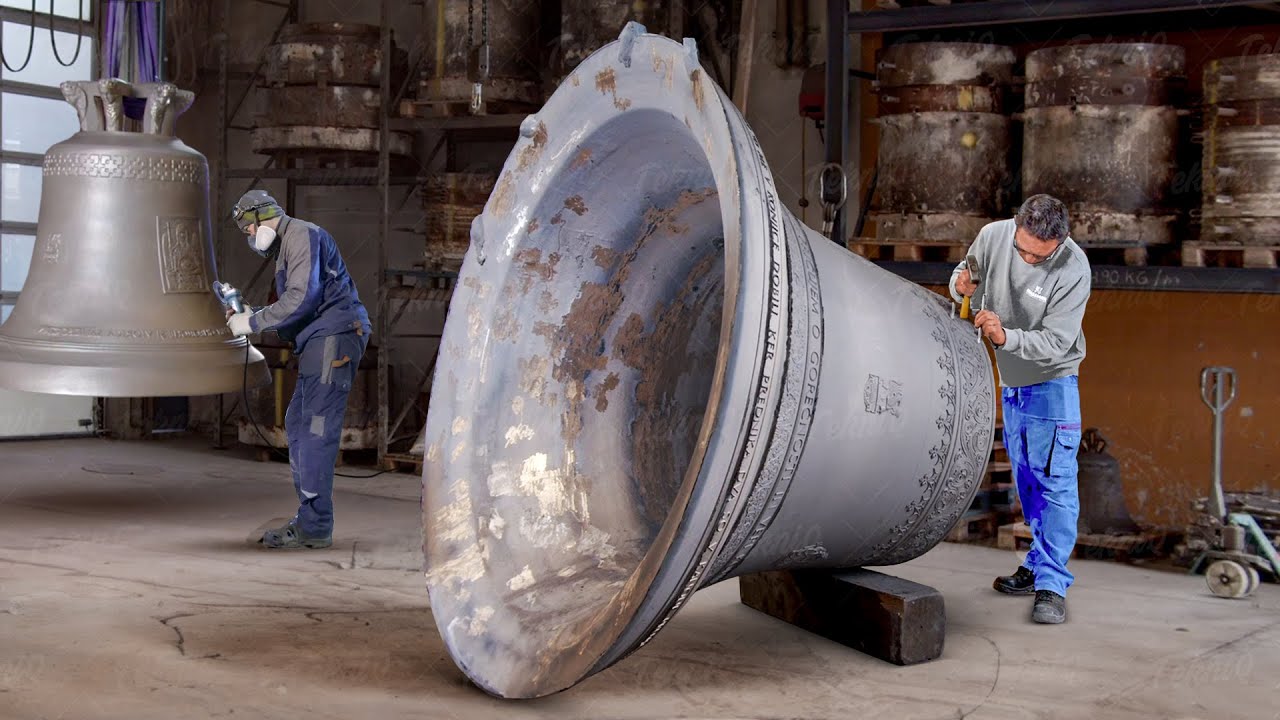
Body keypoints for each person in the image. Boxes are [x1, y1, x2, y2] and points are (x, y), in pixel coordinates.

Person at [949, 193, 1091, 624]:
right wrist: (960, 283)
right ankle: (1035, 564)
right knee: (1027, 481)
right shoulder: (995, 236)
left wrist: (1005, 337)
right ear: (1016, 226)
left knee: (1055, 483)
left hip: (1052, 384)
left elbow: (1056, 343)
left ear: (1060, 242)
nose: (1028, 259)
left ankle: (1052, 585)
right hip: (1011, 383)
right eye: (1023, 249)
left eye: (1039, 256)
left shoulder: (1074, 268)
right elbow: (966, 272)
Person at [226, 189, 372, 550]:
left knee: (316, 429)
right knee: (298, 424)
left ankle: (316, 526)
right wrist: (248, 313)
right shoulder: (288, 247)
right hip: (319, 340)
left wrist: (254, 322)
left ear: (260, 219)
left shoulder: (302, 235)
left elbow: (302, 298)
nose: (249, 239)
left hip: (334, 336)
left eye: (247, 230)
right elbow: (297, 306)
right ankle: (310, 517)